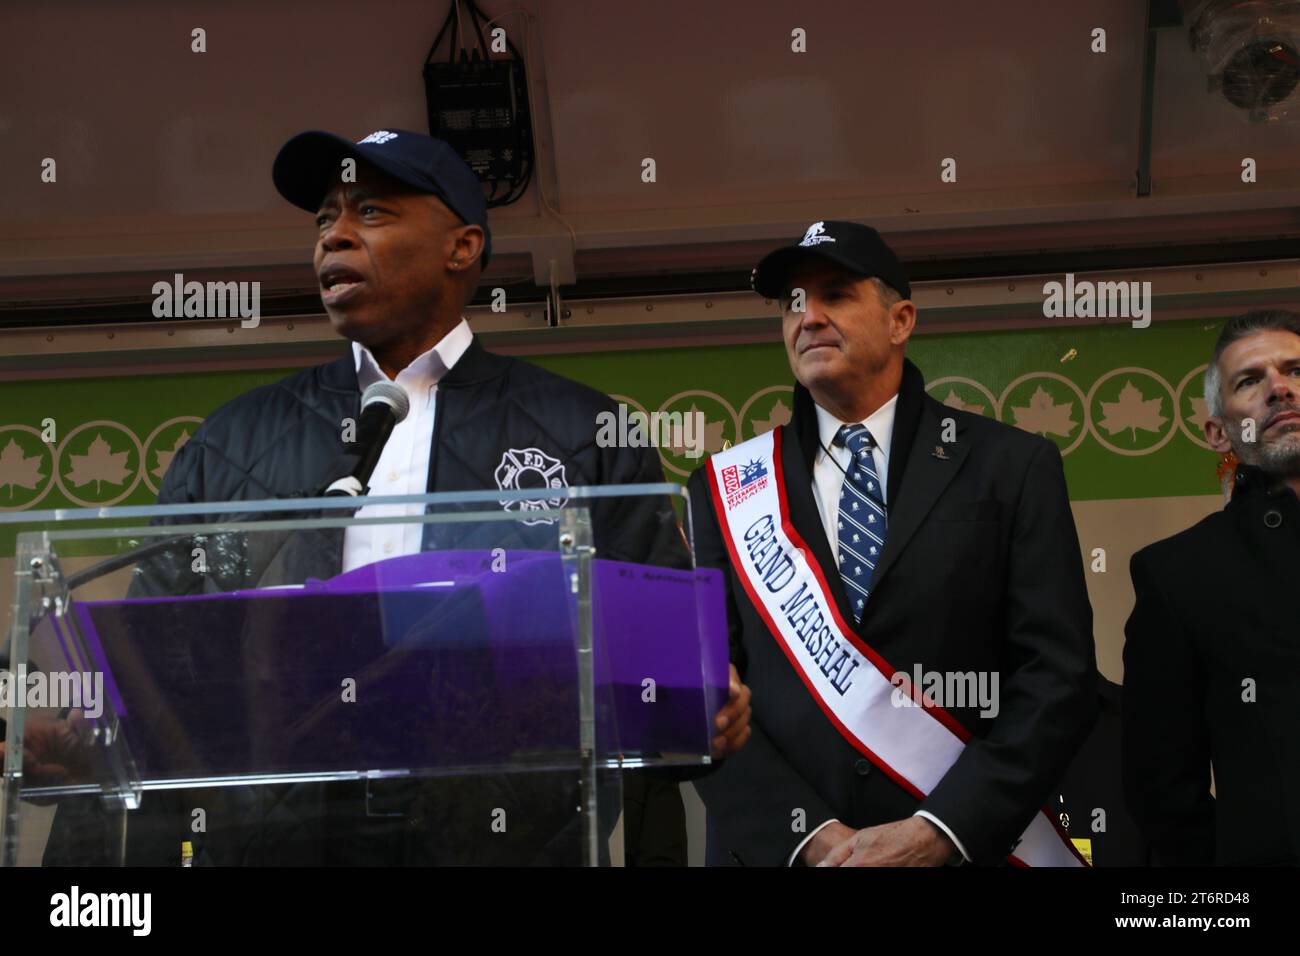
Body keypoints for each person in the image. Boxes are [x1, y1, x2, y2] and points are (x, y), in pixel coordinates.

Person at [43, 128, 750, 866]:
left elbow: (673, 675)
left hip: (501, 840)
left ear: (462, 246)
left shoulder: (584, 430)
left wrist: (708, 708)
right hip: (278, 842)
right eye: (323, 220)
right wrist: (82, 742)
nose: (333, 238)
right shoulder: (232, 441)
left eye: (371, 213)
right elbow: (156, 673)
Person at [689, 220, 1096, 866]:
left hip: (966, 850)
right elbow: (704, 693)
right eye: (793, 302)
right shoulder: (725, 488)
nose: (809, 317)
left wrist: (942, 831)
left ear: (901, 319)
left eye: (835, 294)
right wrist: (809, 837)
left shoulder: (1011, 466)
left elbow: (1056, 678)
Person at [1123, 308, 1300, 866]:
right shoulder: (1178, 573)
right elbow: (1164, 792)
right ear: (1218, 431)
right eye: (1250, 380)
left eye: (1295, 370)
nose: (1279, 388)